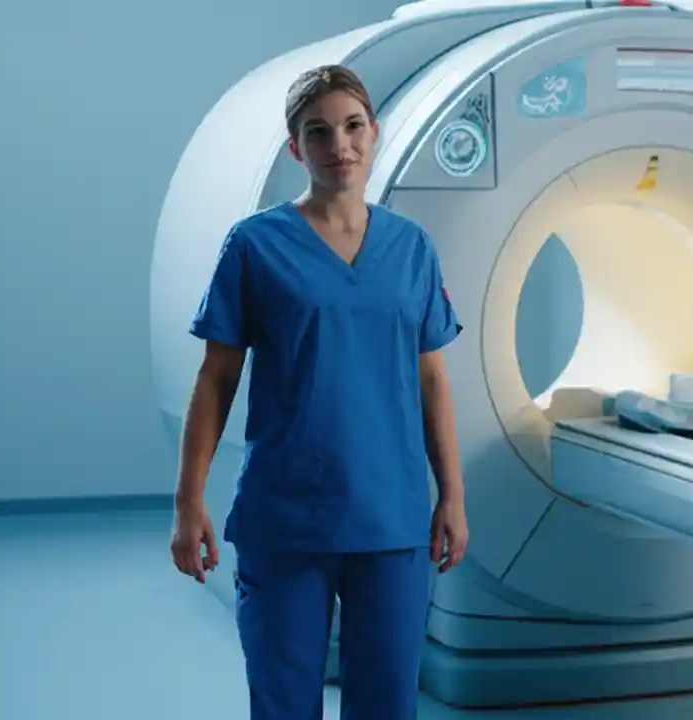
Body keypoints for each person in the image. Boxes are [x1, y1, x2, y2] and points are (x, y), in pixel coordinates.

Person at [169, 64, 470, 720]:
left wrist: (452, 494)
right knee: (283, 702)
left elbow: (431, 379)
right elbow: (216, 380)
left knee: (387, 704)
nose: (341, 146)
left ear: (374, 132)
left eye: (354, 126)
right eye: (320, 131)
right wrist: (188, 501)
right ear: (295, 148)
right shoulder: (254, 246)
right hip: (288, 516)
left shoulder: (411, 247)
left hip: (390, 517)